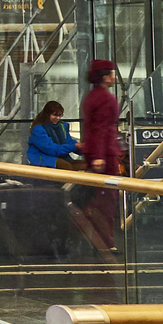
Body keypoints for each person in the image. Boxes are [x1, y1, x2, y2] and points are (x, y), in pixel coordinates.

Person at [79, 59, 124, 252]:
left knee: (95, 197)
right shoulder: (106, 98)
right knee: (106, 200)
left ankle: (96, 237)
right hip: (104, 153)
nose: (114, 77)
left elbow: (93, 127)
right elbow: (103, 129)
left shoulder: (90, 97)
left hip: (94, 151)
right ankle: (106, 241)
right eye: (112, 74)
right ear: (105, 76)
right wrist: (100, 156)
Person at [26, 103, 79, 169]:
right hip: (41, 157)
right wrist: (74, 146)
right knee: (66, 166)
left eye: (60, 115)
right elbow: (50, 149)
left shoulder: (62, 126)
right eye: (55, 115)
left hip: (58, 155)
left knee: (84, 165)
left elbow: (68, 141)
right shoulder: (38, 129)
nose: (58, 118)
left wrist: (81, 147)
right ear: (47, 114)